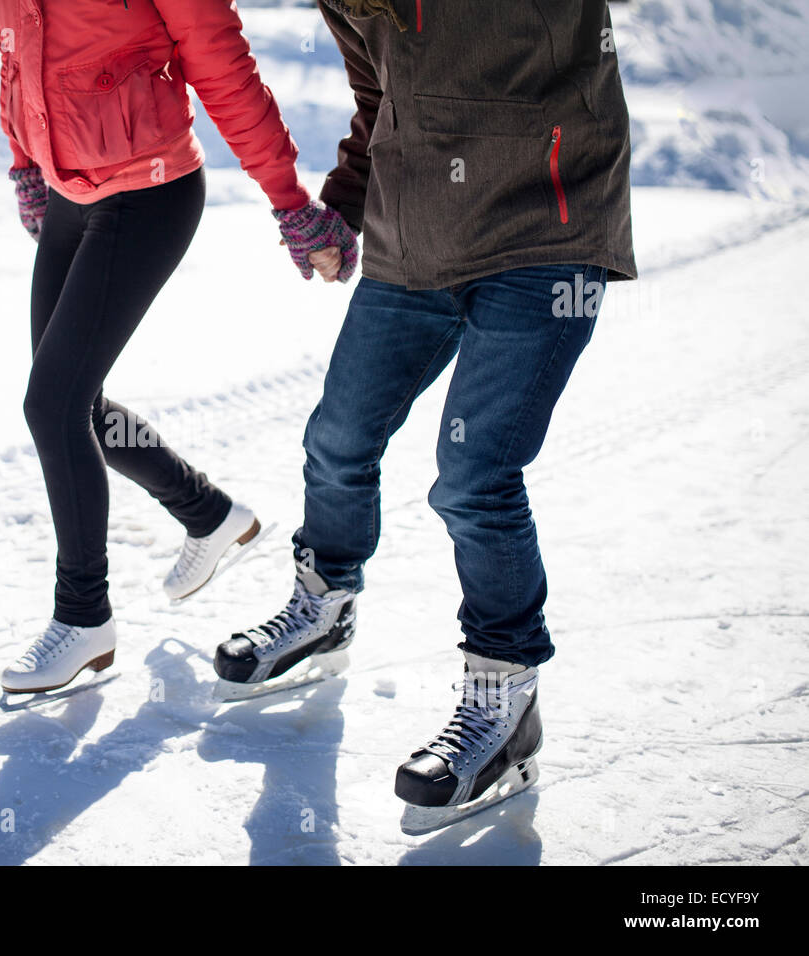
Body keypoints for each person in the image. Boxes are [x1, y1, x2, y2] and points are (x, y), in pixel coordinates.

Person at [221, 0, 636, 832]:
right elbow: (384, 101)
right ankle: (324, 605)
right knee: (337, 439)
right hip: (413, 240)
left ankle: (503, 701)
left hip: (544, 231)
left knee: (475, 479)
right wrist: (341, 203)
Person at [0, 0, 359, 696]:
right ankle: (209, 515)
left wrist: (289, 199)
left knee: (54, 405)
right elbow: (17, 57)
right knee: (73, 403)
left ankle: (85, 620)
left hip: (148, 194)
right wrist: (26, 164)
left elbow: (222, 68)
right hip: (73, 191)